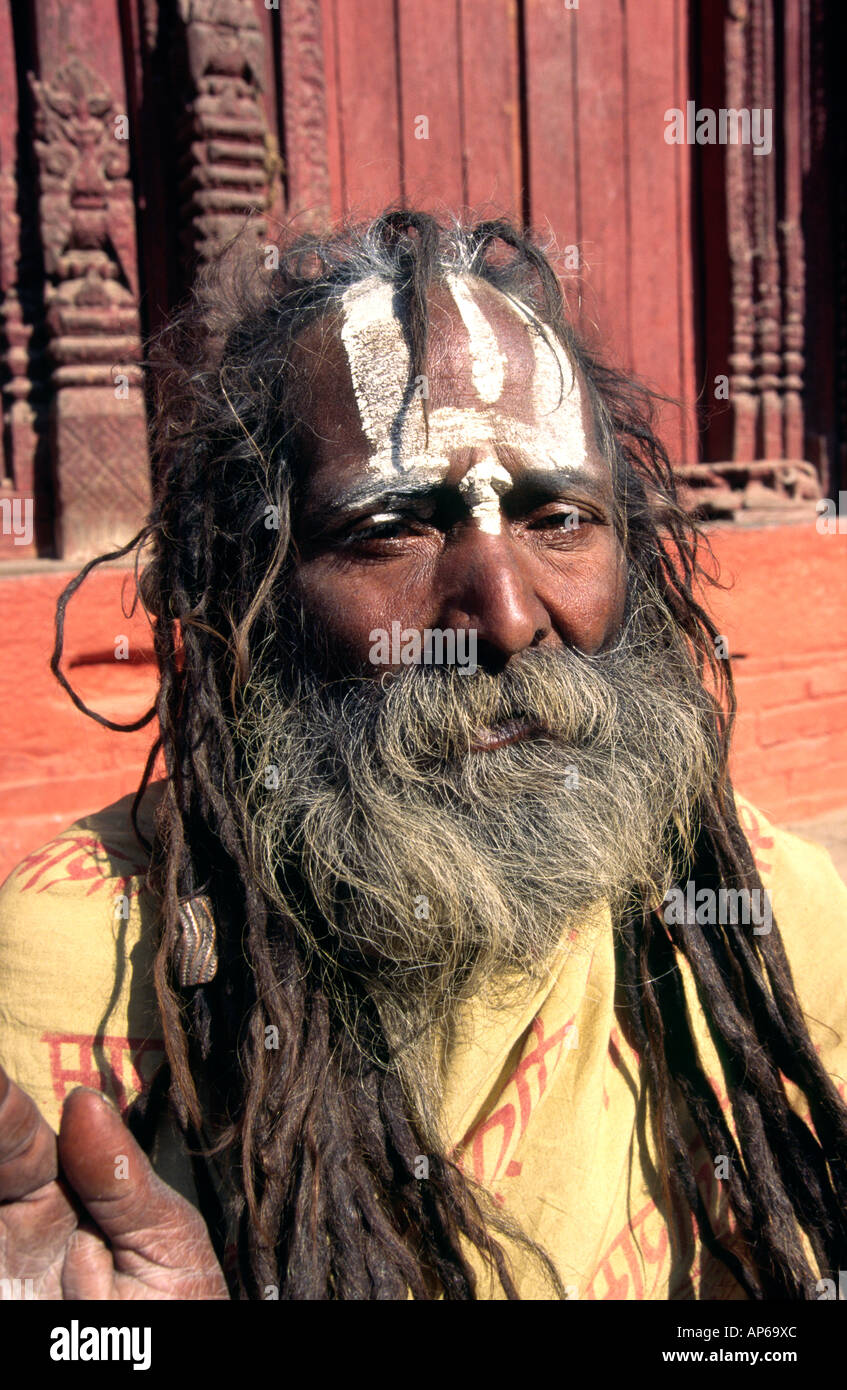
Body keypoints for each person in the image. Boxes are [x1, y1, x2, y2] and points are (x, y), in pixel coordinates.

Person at [1, 211, 846, 1301]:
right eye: (391, 527)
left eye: (558, 519)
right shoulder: (79, 975)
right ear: (248, 603)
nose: (500, 616)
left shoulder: (775, 922)